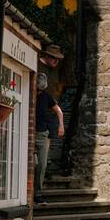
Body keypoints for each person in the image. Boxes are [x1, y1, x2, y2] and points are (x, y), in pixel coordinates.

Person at [34, 72, 64, 203]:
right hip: (28, 132)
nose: (38, 92)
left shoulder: (46, 97)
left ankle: (37, 193)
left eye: (40, 90)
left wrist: (61, 126)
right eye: (37, 90)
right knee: (32, 163)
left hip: (43, 134)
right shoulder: (27, 91)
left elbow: (58, 111)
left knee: (41, 164)